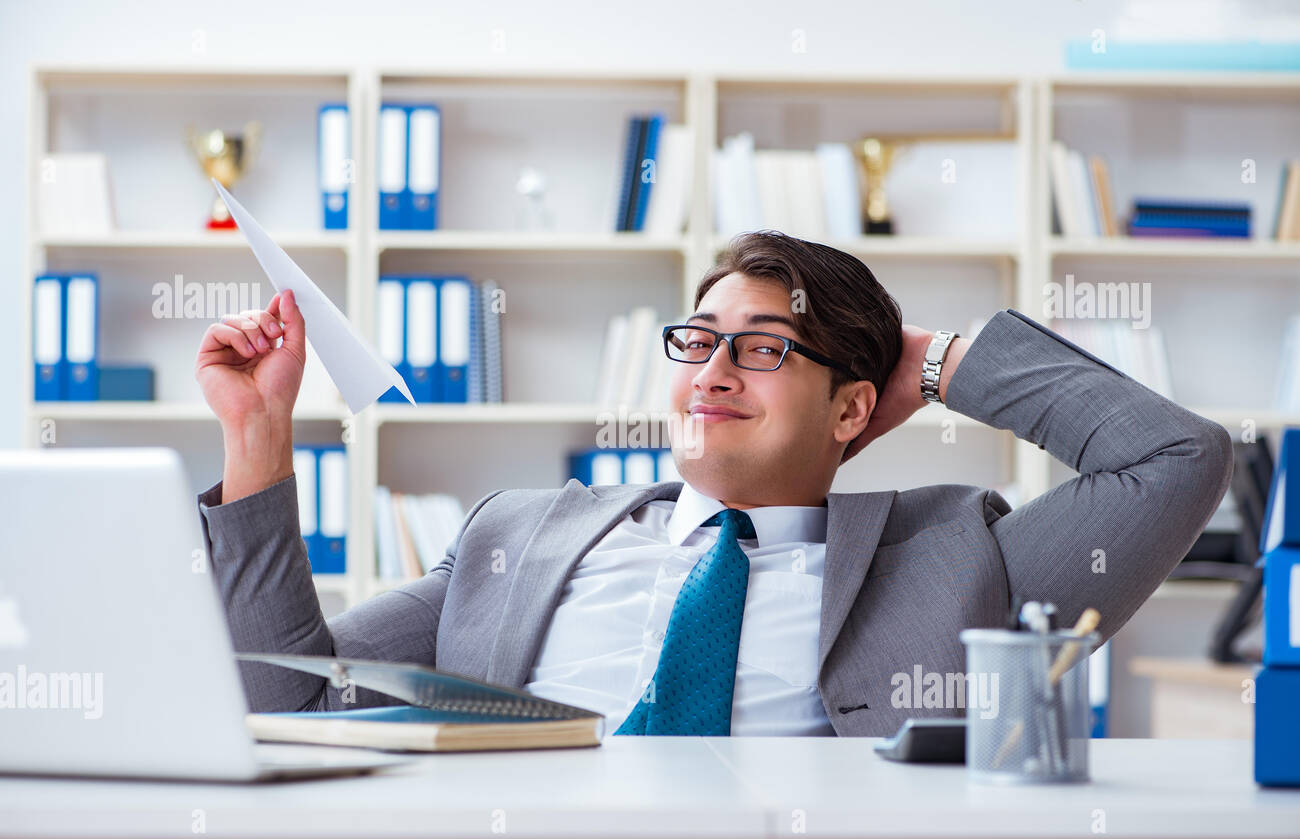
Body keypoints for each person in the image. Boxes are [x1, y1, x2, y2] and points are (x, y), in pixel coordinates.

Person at [194, 230, 1233, 736]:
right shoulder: (520, 531)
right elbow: (283, 702)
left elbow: (1176, 458)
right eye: (699, 340)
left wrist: (931, 359)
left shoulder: (959, 558)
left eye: (767, 348)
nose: (714, 370)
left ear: (852, 409)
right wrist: (258, 435)